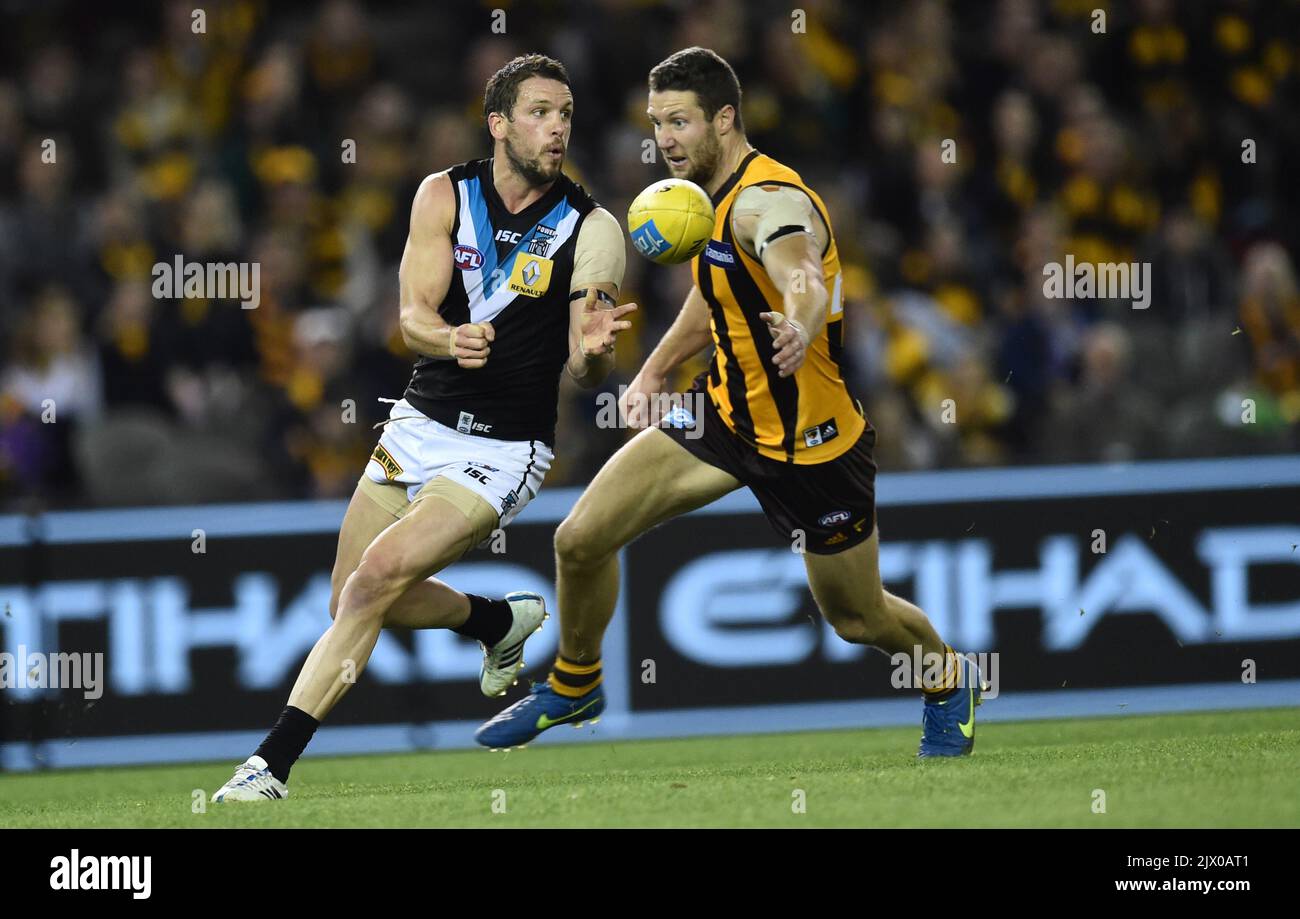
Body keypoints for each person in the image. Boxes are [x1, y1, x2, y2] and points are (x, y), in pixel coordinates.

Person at [477, 47, 984, 758]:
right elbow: (716, 291)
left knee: (860, 618)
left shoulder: (767, 200)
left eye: (680, 121)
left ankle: (948, 677)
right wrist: (654, 370)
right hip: (723, 414)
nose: (666, 141)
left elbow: (799, 273)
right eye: (657, 124)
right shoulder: (700, 203)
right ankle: (576, 681)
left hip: (814, 441)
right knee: (580, 539)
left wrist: (800, 324)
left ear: (725, 117)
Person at [212, 53, 634, 801]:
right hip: (419, 422)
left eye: (565, 113)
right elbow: (411, 318)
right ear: (498, 123)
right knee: (351, 595)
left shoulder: (592, 228)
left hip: (506, 448)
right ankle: (496, 619)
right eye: (540, 111)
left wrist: (597, 357)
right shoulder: (443, 194)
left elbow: (584, 362)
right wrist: (449, 339)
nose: (557, 126)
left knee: (375, 577)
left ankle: (269, 764)